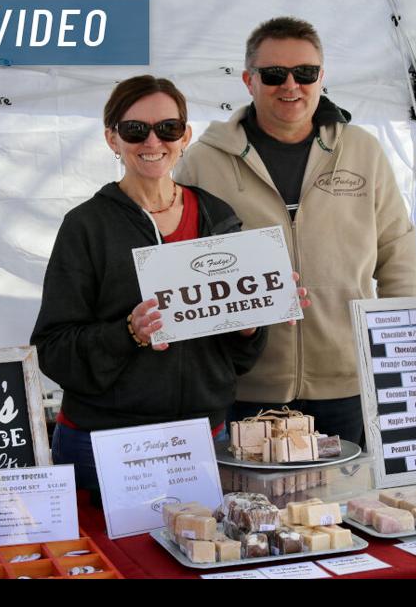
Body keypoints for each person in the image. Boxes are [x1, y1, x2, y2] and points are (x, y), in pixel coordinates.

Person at [30, 75, 309, 493]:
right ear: (112, 138)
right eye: (135, 130)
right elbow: (52, 349)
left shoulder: (217, 216)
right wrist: (129, 332)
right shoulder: (86, 226)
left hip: (202, 438)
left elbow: (237, 358)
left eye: (168, 128)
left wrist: (251, 321)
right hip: (105, 443)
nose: (152, 141)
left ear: (185, 137)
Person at [175, 17, 416, 447]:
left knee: (343, 492)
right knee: (249, 493)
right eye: (274, 74)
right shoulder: (203, 161)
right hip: (244, 386)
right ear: (249, 80)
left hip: (347, 380)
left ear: (321, 77)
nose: (291, 85)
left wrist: (401, 357)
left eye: (305, 73)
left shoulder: (362, 150)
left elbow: (396, 253)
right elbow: (180, 265)